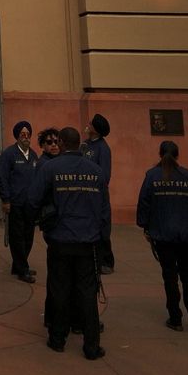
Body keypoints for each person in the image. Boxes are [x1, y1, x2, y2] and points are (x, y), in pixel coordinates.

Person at [29, 126, 109, 360]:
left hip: (60, 239)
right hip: (88, 241)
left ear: (62, 143)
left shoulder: (50, 168)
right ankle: (91, 346)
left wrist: (44, 217)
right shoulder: (95, 171)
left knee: (59, 289)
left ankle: (57, 339)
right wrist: (103, 240)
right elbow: (105, 211)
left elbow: (32, 199)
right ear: (79, 144)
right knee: (87, 293)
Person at [136, 140, 188, 333]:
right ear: (177, 155)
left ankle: (175, 318)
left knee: (170, 277)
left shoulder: (152, 175)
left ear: (160, 154)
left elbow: (144, 203)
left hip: (163, 233)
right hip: (185, 234)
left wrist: (145, 227)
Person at [0, 120, 39, 283]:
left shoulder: (34, 155)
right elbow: (3, 178)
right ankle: (22, 269)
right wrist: (6, 199)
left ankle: (19, 265)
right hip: (15, 203)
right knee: (17, 237)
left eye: (28, 134)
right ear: (17, 136)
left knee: (28, 236)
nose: (25, 136)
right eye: (22, 134)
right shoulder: (9, 154)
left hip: (30, 204)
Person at [34, 126, 61, 327]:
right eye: (49, 142)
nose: (53, 145)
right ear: (43, 145)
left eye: (56, 141)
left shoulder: (58, 163)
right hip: (53, 221)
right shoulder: (44, 165)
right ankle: (55, 318)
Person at [81, 113, 114, 274]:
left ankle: (107, 261)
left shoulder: (103, 148)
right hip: (84, 194)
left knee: (102, 227)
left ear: (96, 129)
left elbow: (105, 175)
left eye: (91, 123)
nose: (88, 125)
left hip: (98, 194)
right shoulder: (85, 144)